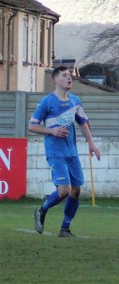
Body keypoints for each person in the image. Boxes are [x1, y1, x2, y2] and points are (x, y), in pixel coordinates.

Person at [29, 66, 101, 238]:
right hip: (55, 153)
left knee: (76, 191)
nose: (69, 78)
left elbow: (83, 122)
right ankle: (42, 209)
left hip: (71, 153)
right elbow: (32, 125)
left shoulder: (75, 101)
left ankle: (65, 228)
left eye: (70, 75)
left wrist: (91, 143)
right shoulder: (47, 102)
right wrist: (52, 131)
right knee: (64, 191)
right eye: (64, 75)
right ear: (55, 80)